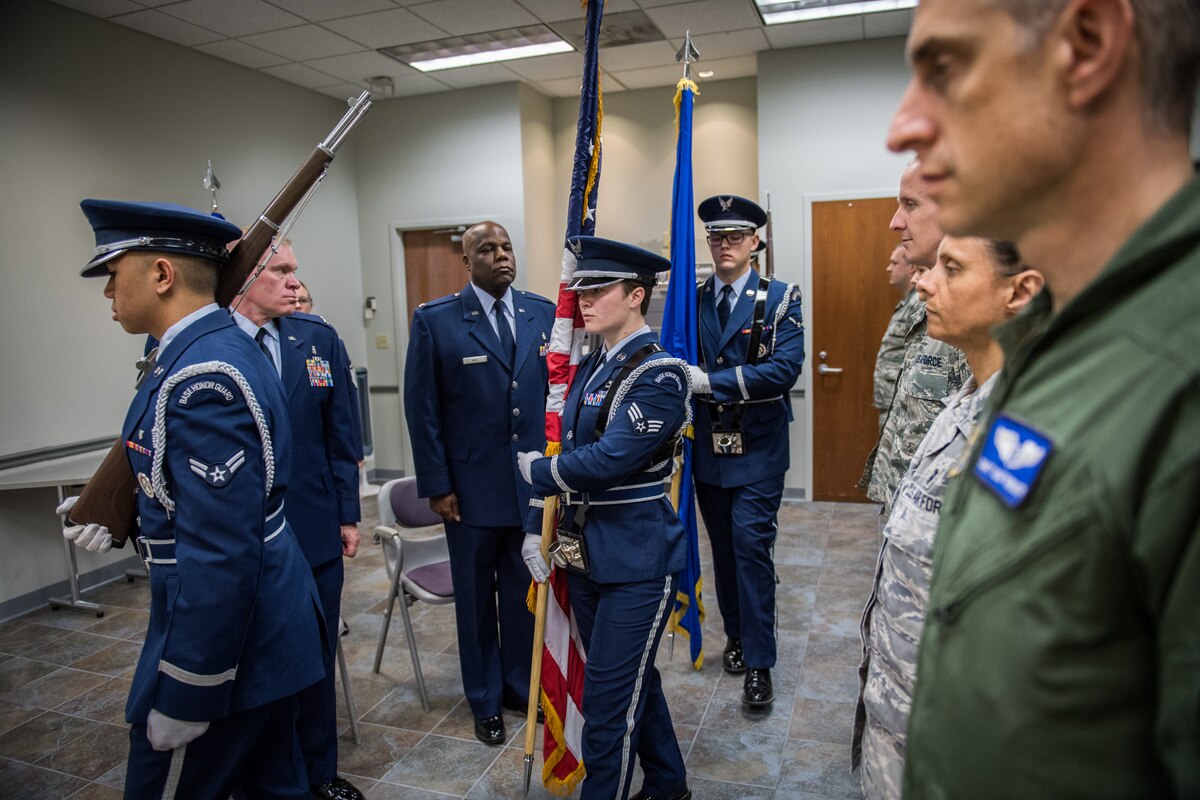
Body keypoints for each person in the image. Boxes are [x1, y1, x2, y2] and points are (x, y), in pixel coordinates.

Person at [887, 0, 1200, 796]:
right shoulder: (1057, 338)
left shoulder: (1171, 369)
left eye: (946, 70)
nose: (904, 127)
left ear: (1087, 45)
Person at [61, 199, 325, 798]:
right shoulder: (202, 351)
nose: (107, 292)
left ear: (161, 274)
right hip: (259, 629)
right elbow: (176, 477)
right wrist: (123, 510)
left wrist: (190, 687)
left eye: (114, 272)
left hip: (230, 646)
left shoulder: (203, 376)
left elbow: (223, 551)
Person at [852, 236, 1042, 799]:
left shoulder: (1023, 434)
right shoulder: (962, 400)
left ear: (1019, 292)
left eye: (950, 268)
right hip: (898, 723)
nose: (923, 280)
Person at [519, 236, 692, 800]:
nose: (582, 301)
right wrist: (534, 521)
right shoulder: (593, 366)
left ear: (637, 296)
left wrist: (536, 477)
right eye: (580, 289)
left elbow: (609, 459)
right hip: (587, 552)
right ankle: (669, 786)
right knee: (630, 682)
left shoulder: (661, 374)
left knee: (606, 708)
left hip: (636, 560)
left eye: (598, 290)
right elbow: (566, 446)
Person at [403, 220, 554, 745]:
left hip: (529, 487)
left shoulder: (542, 313)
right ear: (467, 262)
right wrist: (437, 484)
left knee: (521, 597)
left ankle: (518, 688)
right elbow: (421, 411)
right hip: (467, 490)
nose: (501, 255)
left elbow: (551, 400)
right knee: (474, 601)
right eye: (487, 249)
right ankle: (485, 699)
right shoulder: (437, 321)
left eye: (507, 246)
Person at [229, 238, 364, 800]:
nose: (292, 281)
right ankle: (261, 775)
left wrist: (348, 513)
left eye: (294, 271)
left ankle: (319, 772)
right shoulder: (208, 342)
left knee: (314, 657)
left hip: (313, 528)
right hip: (238, 538)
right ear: (241, 277)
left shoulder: (318, 339)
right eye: (279, 270)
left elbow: (341, 436)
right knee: (252, 663)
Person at [687, 194, 805, 708]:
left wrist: (710, 382)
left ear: (756, 241)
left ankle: (760, 662)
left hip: (757, 448)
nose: (724, 245)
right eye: (716, 236)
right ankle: (735, 635)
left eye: (735, 236)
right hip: (709, 452)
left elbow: (784, 370)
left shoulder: (780, 298)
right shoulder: (692, 301)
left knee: (751, 547)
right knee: (725, 552)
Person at [861, 162, 969, 514]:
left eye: (910, 204)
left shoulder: (981, 315)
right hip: (905, 514)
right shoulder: (931, 306)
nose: (895, 222)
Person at [871, 245, 919, 429]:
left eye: (894, 263)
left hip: (901, 403)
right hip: (891, 400)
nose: (888, 268)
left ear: (911, 268)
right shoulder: (908, 302)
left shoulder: (917, 303)